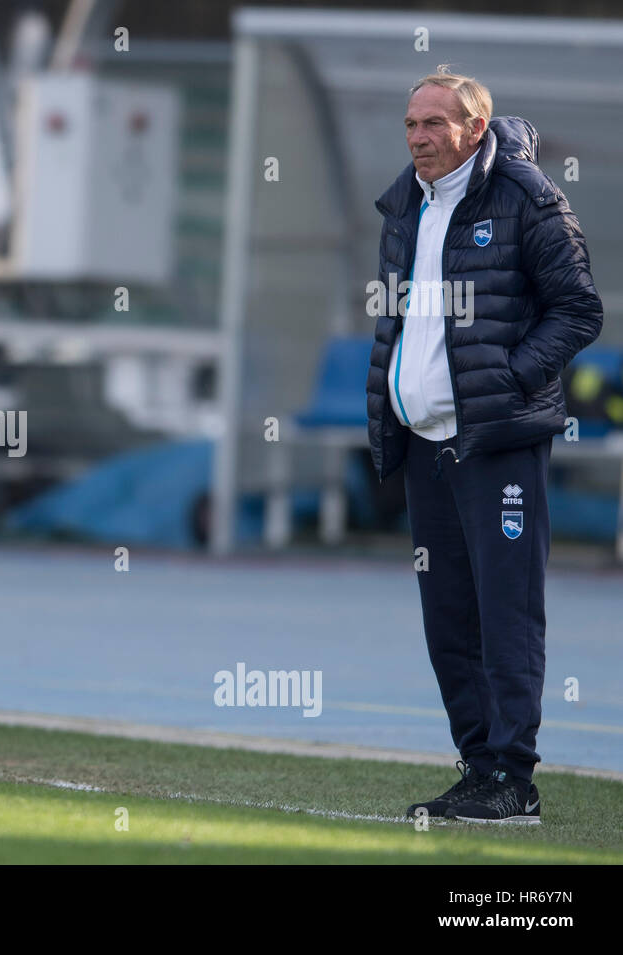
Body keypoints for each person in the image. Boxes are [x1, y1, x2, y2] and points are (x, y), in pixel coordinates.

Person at [365, 68, 603, 824]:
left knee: (507, 613)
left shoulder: (527, 197)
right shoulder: (404, 204)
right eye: (411, 124)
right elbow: (403, 325)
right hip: (426, 444)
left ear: (474, 129)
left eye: (434, 124)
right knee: (450, 620)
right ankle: (478, 768)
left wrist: (510, 376)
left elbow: (578, 309)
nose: (418, 138)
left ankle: (515, 778)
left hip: (495, 443)